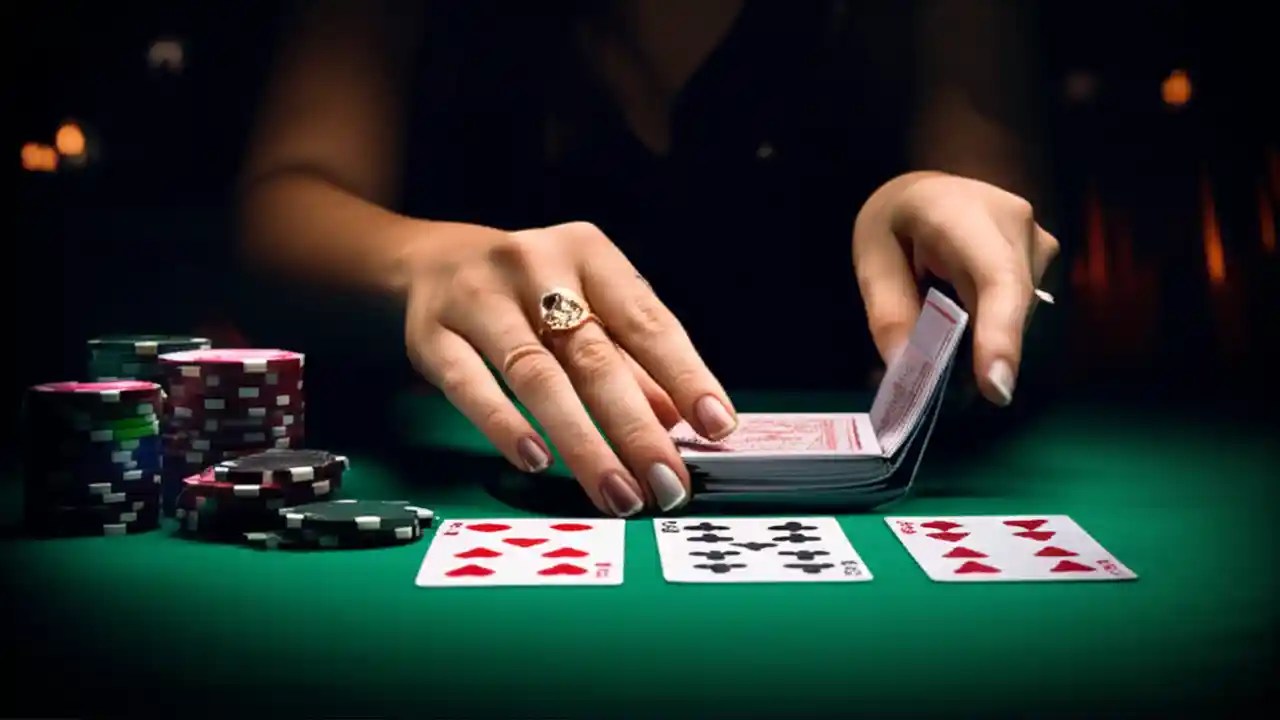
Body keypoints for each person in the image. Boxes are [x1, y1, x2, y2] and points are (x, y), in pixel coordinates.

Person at [238, 0, 1059, 518]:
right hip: (464, 454)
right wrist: (422, 261)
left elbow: (989, 176)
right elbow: (281, 210)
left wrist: (948, 205)